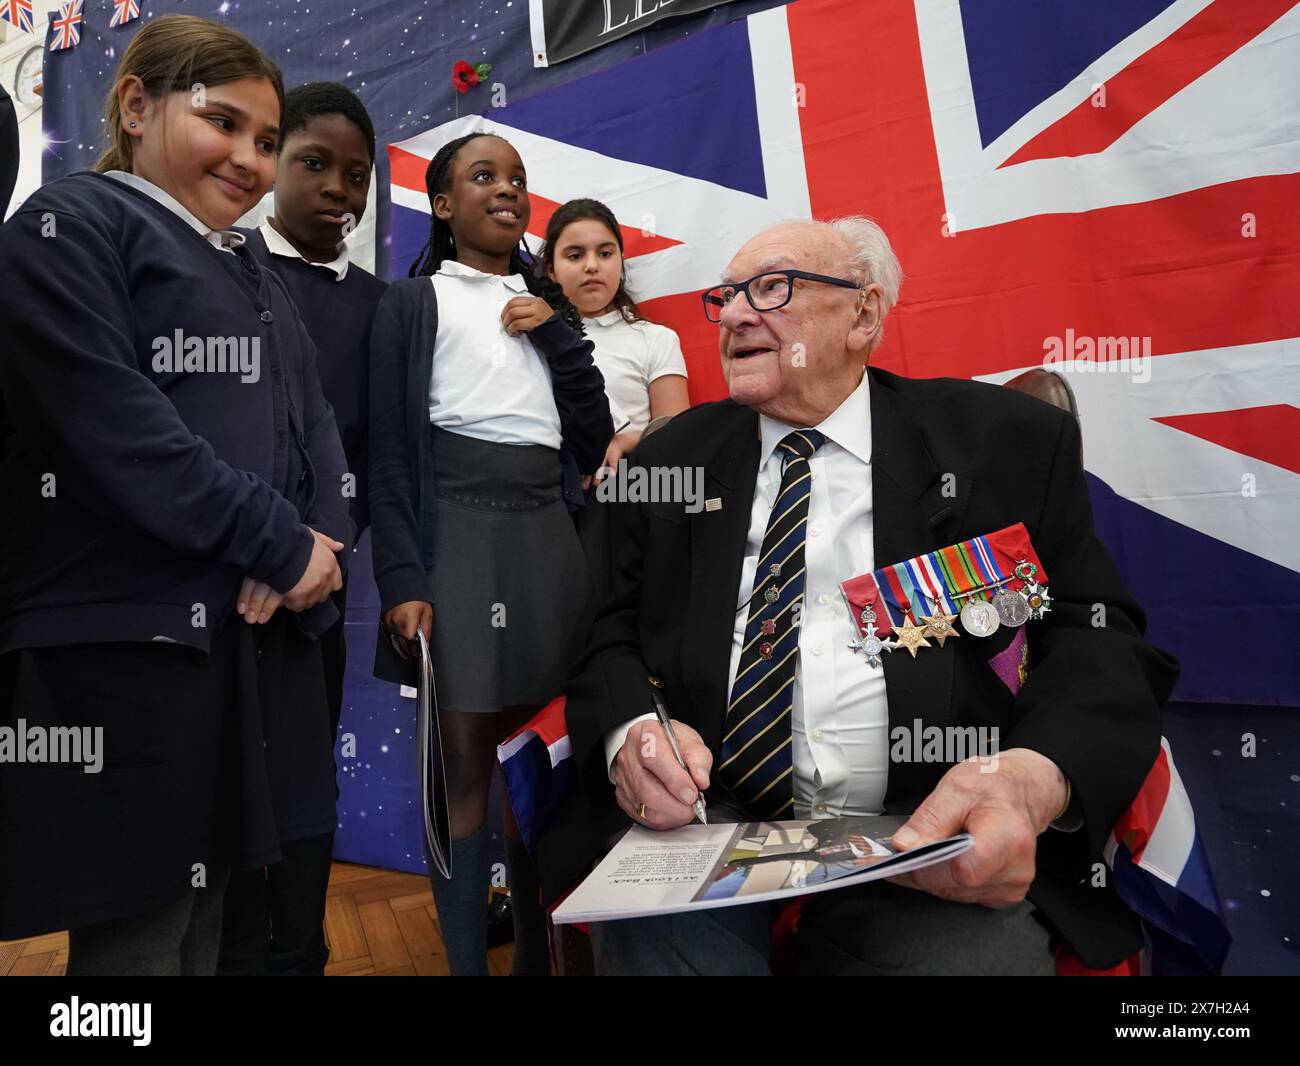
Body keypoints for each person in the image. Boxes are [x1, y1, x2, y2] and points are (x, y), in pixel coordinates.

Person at [539, 216, 1179, 975]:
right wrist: (632, 736)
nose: (736, 314)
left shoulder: (1004, 444)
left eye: (770, 289)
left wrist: (1031, 777)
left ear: (863, 314)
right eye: (726, 297)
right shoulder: (670, 459)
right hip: (712, 822)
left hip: (923, 827)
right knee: (658, 949)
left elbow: (1096, 637)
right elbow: (602, 631)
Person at [0, 15, 350, 975]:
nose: (249, 158)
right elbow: (112, 427)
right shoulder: (67, 226)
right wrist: (277, 544)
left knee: (215, 933)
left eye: (268, 142)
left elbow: (315, 429)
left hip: (248, 653)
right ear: (136, 103)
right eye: (224, 123)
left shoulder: (252, 270)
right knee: (137, 954)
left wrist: (320, 544)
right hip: (127, 653)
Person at [368, 131, 612, 975]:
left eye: (517, 178)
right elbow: (390, 454)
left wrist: (555, 336)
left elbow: (593, 437)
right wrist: (402, 574)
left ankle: (539, 962)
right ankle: (468, 963)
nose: (506, 189)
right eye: (483, 177)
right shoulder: (412, 303)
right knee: (465, 758)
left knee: (542, 754)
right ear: (443, 205)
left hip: (548, 533)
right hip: (459, 533)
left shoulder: (554, 311)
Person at [218, 81, 387, 976]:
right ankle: (230, 949)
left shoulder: (378, 305)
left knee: (302, 782)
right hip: (217, 579)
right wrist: (255, 545)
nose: (336, 188)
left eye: (355, 174)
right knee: (223, 784)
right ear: (274, 163)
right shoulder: (222, 268)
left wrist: (318, 547)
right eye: (313, 163)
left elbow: (359, 449)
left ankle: (299, 949)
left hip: (315, 584)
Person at [539, 198, 689, 477]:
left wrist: (624, 441)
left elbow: (679, 435)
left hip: (629, 493)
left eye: (605, 254)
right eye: (575, 256)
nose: (592, 266)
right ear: (551, 269)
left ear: (621, 260)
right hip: (549, 498)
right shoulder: (536, 340)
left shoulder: (656, 339)